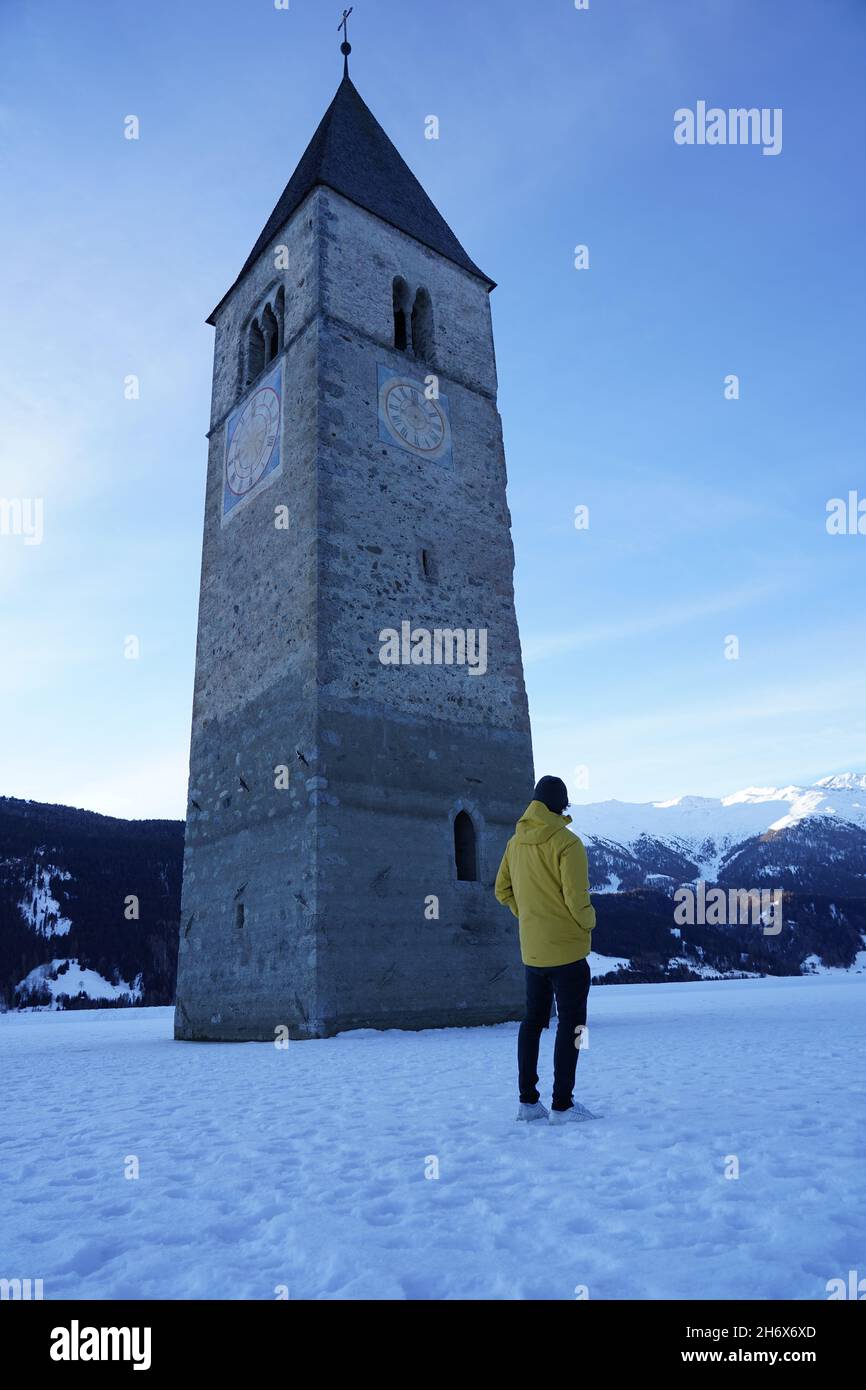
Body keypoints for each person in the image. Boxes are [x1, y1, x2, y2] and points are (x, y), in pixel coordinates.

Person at [495, 775, 597, 1125]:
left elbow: (502, 890)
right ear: (561, 806)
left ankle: (528, 1103)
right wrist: (588, 923)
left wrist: (529, 916)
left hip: (532, 954)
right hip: (568, 953)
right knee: (574, 1027)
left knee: (532, 1022)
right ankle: (563, 1105)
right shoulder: (568, 844)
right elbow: (576, 899)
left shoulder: (514, 843)